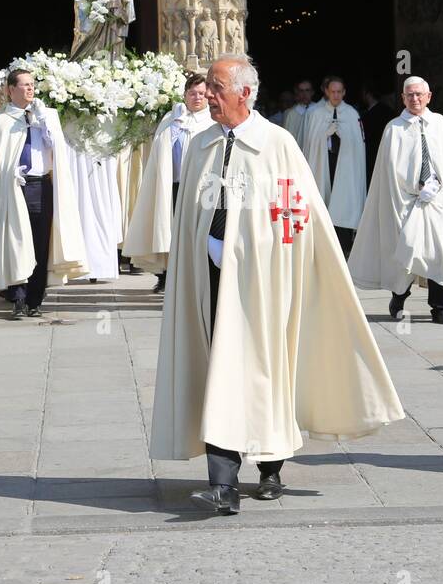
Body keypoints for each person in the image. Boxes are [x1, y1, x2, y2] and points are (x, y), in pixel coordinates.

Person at [151, 55, 404, 515]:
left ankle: (270, 465)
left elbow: (296, 217)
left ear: (245, 93)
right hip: (209, 279)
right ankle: (223, 483)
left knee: (263, 369)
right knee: (218, 369)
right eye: (207, 85)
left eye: (217, 86)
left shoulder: (277, 144)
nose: (208, 94)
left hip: (263, 281)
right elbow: (189, 211)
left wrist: (252, 246)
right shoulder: (202, 144)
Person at [349, 77, 443, 324]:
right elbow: (390, 170)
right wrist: (414, 189)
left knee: (442, 252)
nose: (415, 99)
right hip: (407, 201)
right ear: (403, 98)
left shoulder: (439, 123)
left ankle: (440, 308)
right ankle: (399, 297)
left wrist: (436, 185)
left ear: (428, 97)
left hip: (438, 201)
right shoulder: (394, 128)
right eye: (410, 95)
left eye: (419, 94)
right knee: (408, 252)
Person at [0, 67, 87, 317]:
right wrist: (9, 173)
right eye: (24, 85)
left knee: (39, 243)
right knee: (15, 241)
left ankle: (35, 300)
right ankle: (17, 296)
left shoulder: (46, 115)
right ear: (10, 90)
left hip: (40, 185)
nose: (30, 89)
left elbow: (57, 149)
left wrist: (43, 123)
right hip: (14, 187)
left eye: (32, 85)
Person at [123, 73, 214, 292]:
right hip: (172, 184)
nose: (197, 98)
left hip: (199, 188)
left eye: (202, 94)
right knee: (168, 231)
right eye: (192, 93)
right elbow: (161, 149)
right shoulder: (171, 119)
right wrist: (175, 127)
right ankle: (165, 276)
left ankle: (194, 277)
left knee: (194, 233)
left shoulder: (212, 120)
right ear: (184, 95)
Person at [301, 77, 367, 257]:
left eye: (339, 92)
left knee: (344, 201)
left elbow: (357, 145)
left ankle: (344, 245)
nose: (336, 95)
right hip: (324, 162)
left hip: (345, 165)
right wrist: (325, 135)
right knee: (323, 197)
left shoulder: (352, 114)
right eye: (333, 92)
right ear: (327, 92)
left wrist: (343, 135)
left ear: (344, 92)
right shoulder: (316, 113)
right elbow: (311, 143)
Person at [360, 83, 397, 183]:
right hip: (385, 154)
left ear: (367, 94)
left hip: (372, 155)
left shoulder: (368, 116)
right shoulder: (388, 111)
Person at [281, 79, 315, 149]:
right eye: (301, 91)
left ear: (312, 92)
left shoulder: (318, 110)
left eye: (307, 90)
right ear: (297, 93)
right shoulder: (290, 114)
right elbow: (286, 138)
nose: (304, 94)